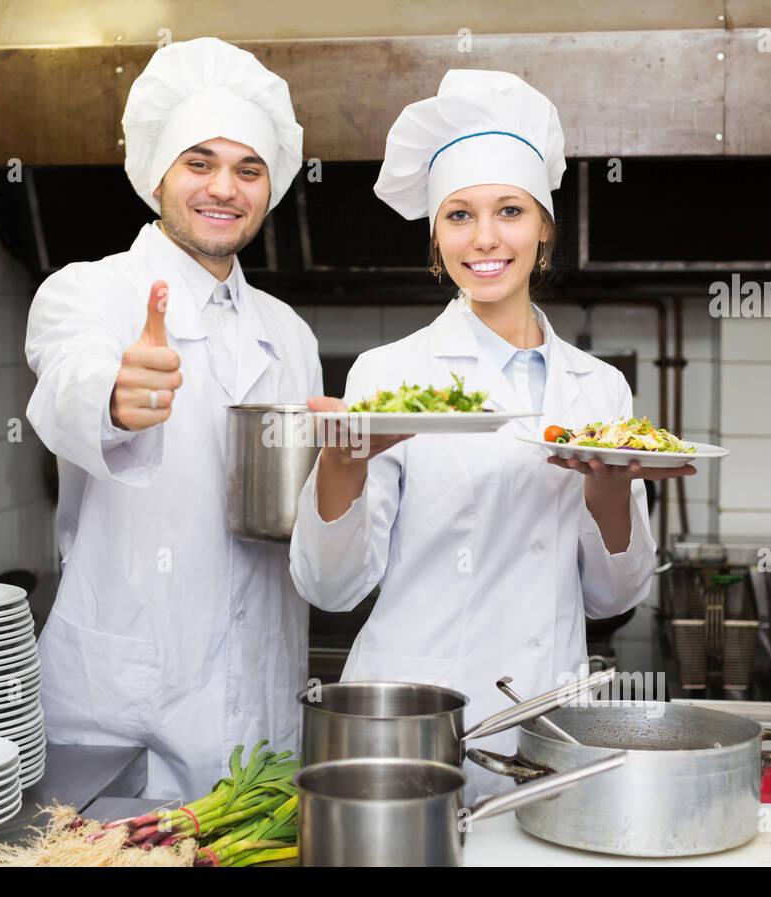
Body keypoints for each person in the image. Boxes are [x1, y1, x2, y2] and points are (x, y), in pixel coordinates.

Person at [288, 70, 694, 786]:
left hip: (548, 718)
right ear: (435, 236)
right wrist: (343, 465)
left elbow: (614, 599)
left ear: (544, 229)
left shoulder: (600, 387)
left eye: (509, 210)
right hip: (412, 722)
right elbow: (331, 588)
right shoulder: (387, 376)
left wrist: (606, 494)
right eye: (458, 215)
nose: (484, 238)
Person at [25, 37, 321, 799]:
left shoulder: (289, 332)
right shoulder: (90, 293)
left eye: (248, 169)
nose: (224, 188)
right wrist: (115, 399)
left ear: (270, 187)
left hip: (263, 701)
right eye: (199, 162)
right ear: (157, 172)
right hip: (123, 711)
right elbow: (68, 380)